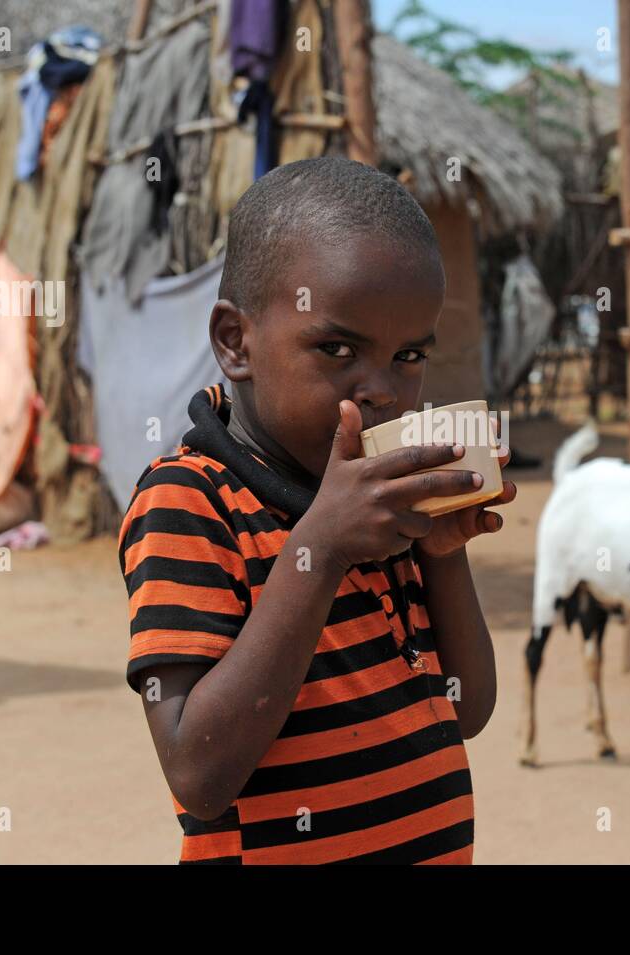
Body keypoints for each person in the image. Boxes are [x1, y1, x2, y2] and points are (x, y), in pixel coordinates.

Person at [118, 155, 515, 863]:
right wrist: (321, 549)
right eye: (338, 348)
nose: (382, 390)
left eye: (409, 355)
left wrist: (442, 552)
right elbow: (198, 771)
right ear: (235, 343)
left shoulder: (384, 508)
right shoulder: (189, 500)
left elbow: (466, 707)